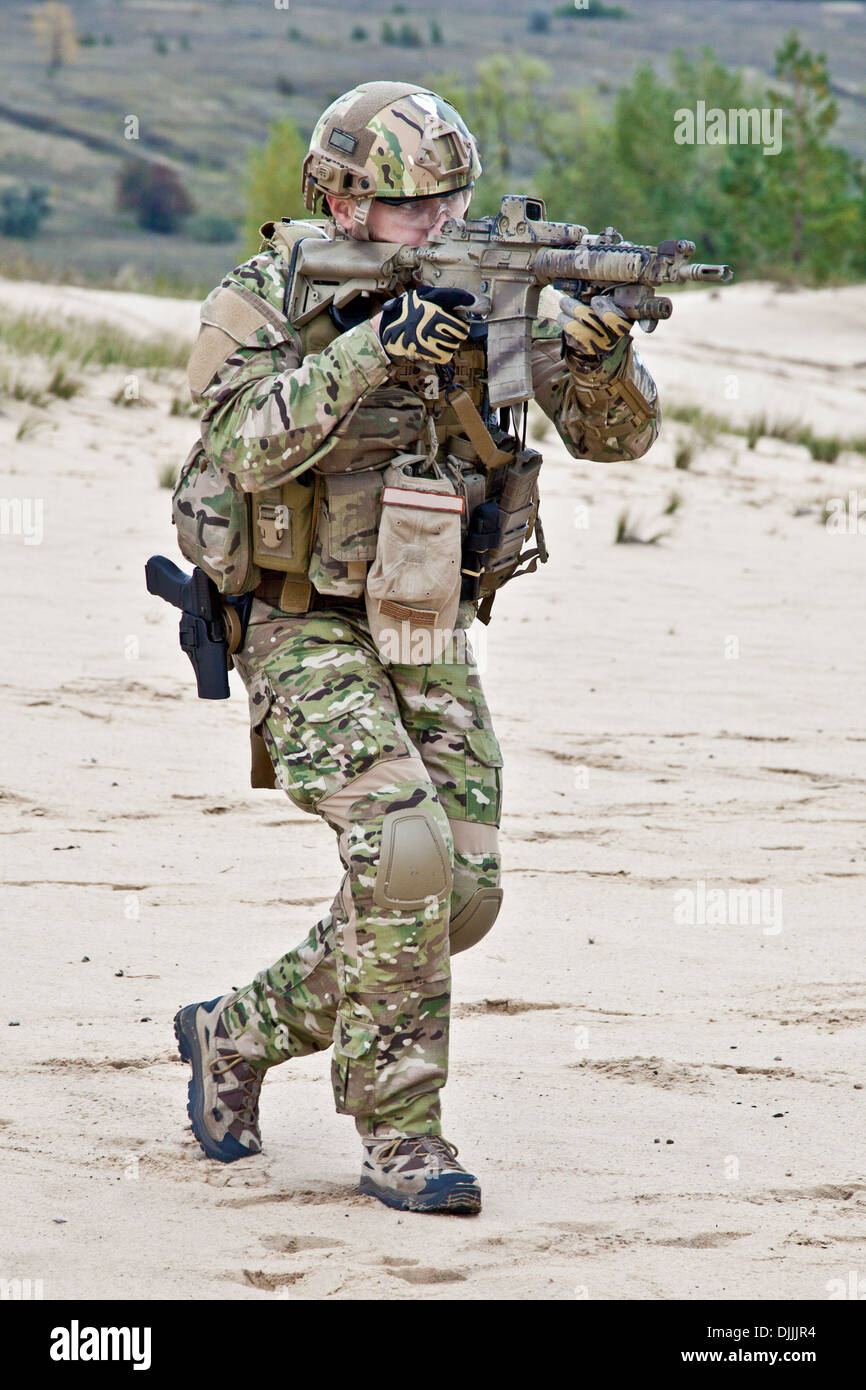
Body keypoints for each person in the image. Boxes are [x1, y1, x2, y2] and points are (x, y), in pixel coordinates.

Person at [173, 81, 659, 1215]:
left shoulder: (493, 296)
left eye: (451, 202)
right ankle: (400, 1135)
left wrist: (600, 364)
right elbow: (242, 444)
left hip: (421, 614)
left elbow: (617, 441)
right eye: (410, 206)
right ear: (342, 202)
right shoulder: (265, 295)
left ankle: (237, 1029)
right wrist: (372, 351)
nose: (438, 223)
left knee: (464, 893)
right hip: (296, 612)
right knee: (402, 850)